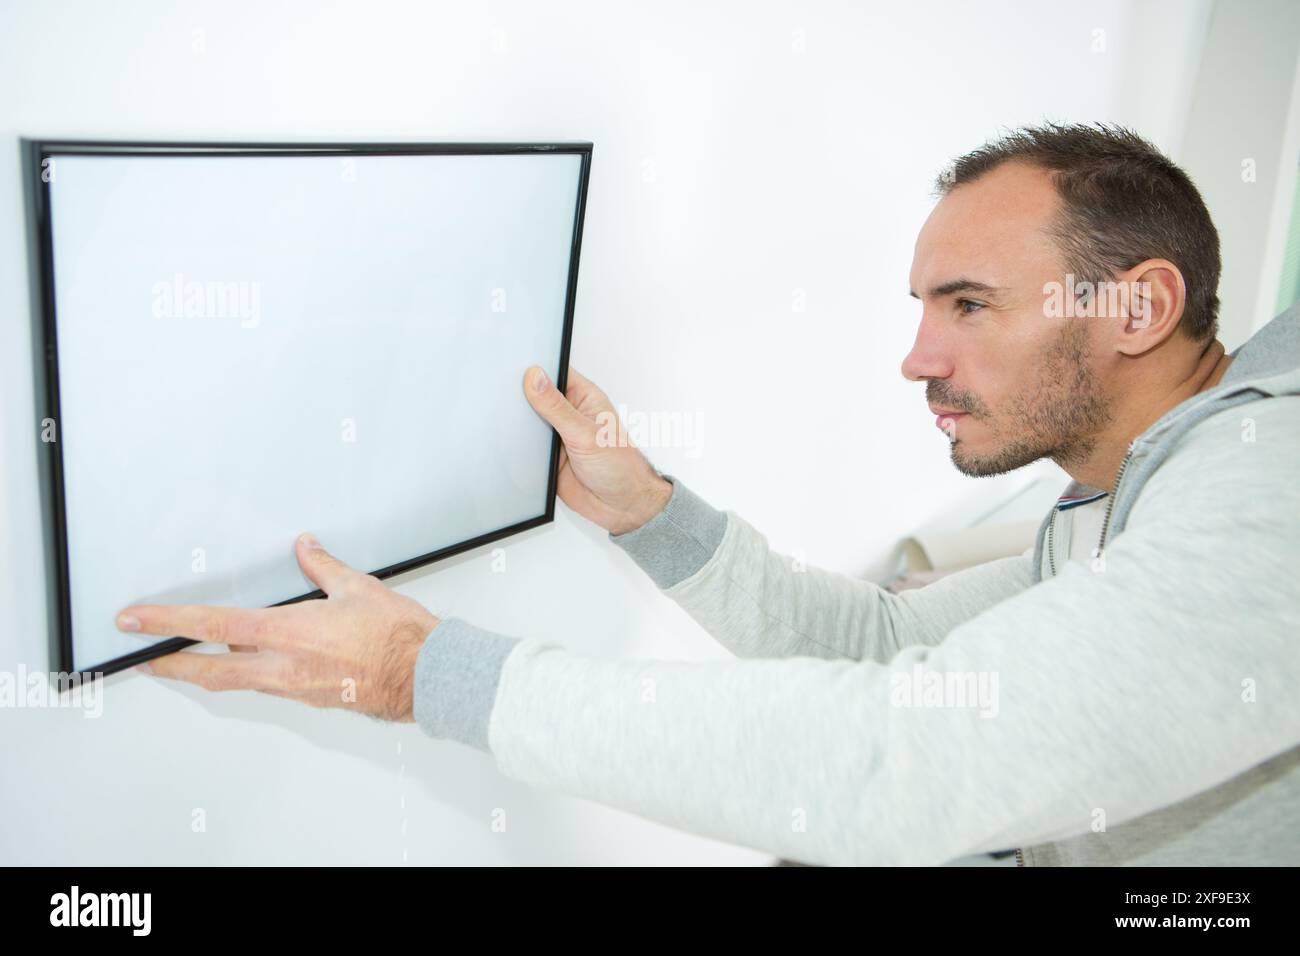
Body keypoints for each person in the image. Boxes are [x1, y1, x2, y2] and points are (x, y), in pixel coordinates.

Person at [117, 124, 1300, 866]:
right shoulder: (1117, 496)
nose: (917, 358)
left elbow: (905, 760)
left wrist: (420, 670)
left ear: (1137, 307)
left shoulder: (1264, 496)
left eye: (970, 305)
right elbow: (879, 647)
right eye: (924, 308)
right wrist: (649, 510)